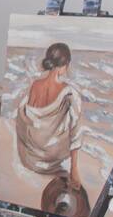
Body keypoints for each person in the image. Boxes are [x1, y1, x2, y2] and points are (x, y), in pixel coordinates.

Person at [14, 41, 86, 200]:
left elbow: (27, 118)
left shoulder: (34, 85)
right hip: (50, 160)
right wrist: (74, 169)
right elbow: (76, 130)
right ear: (65, 65)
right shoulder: (69, 93)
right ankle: (73, 168)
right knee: (73, 116)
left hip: (29, 157)